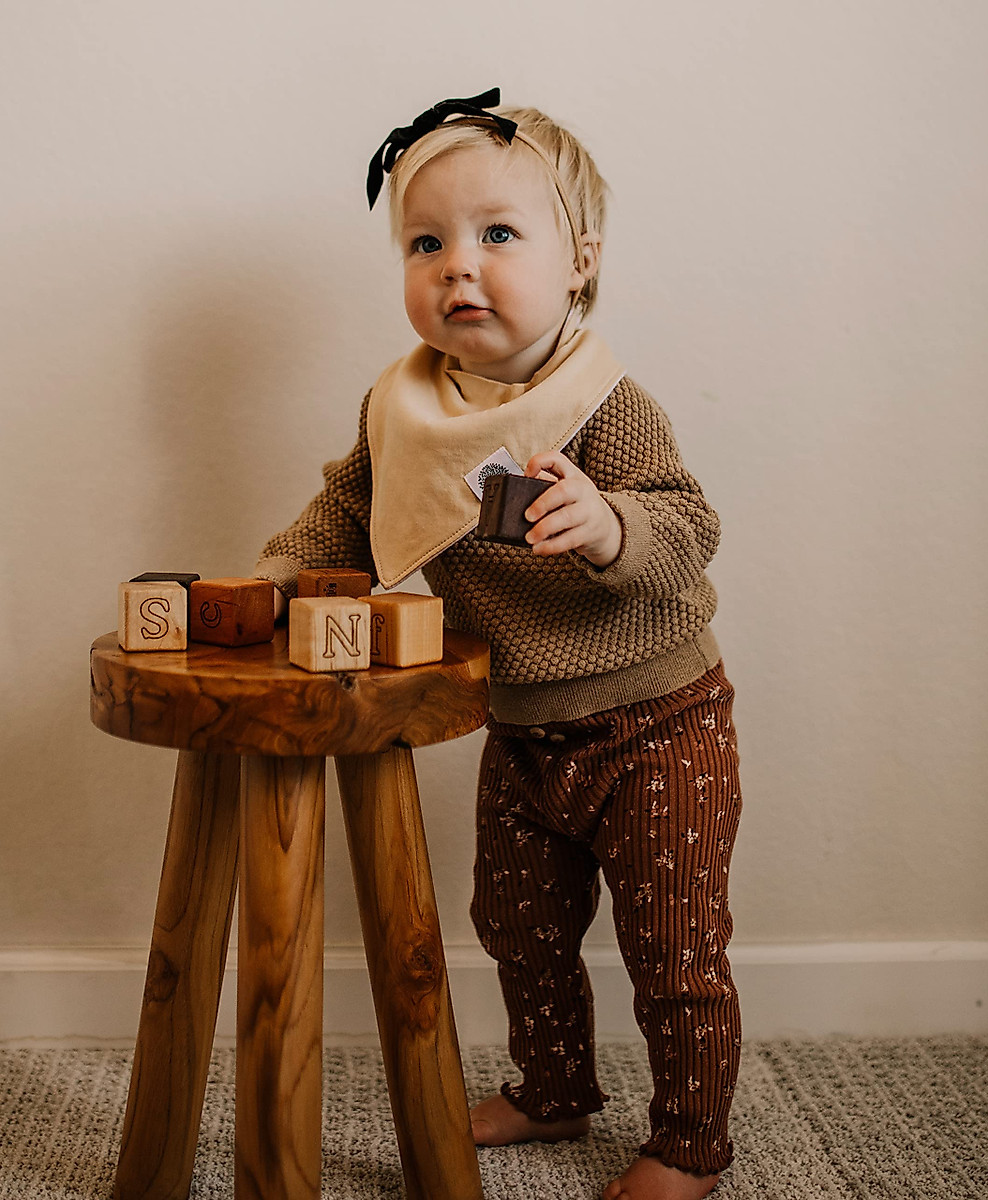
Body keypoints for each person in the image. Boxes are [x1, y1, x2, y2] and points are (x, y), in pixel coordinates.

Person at [253, 88, 743, 1200]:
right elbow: (348, 514)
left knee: (673, 947)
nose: (458, 267)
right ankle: (553, 1087)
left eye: (499, 234)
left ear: (580, 263)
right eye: (426, 244)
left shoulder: (604, 404)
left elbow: (691, 525)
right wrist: (278, 578)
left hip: (659, 720)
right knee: (517, 927)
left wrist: (612, 526)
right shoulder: (407, 408)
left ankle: (690, 1142)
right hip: (521, 727)